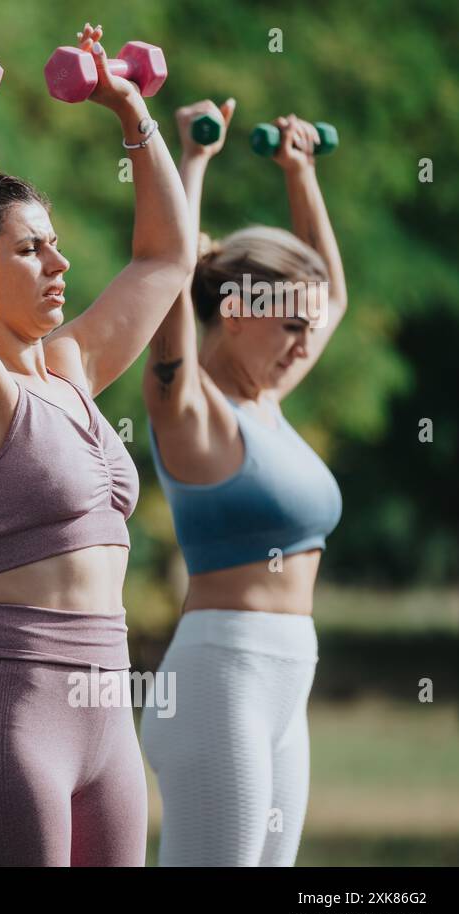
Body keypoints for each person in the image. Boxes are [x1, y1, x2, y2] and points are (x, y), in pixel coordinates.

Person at [0, 23, 194, 865]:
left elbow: (166, 260)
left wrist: (128, 108)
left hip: (107, 718)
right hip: (8, 711)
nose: (60, 263)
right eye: (31, 248)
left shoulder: (70, 372)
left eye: (56, 243)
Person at [139, 99, 347, 866]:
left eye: (308, 326)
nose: (306, 344)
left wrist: (302, 177)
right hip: (219, 680)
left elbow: (337, 299)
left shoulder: (268, 406)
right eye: (292, 324)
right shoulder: (194, 413)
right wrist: (192, 164)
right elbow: (166, 304)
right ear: (235, 310)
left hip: (285, 683)